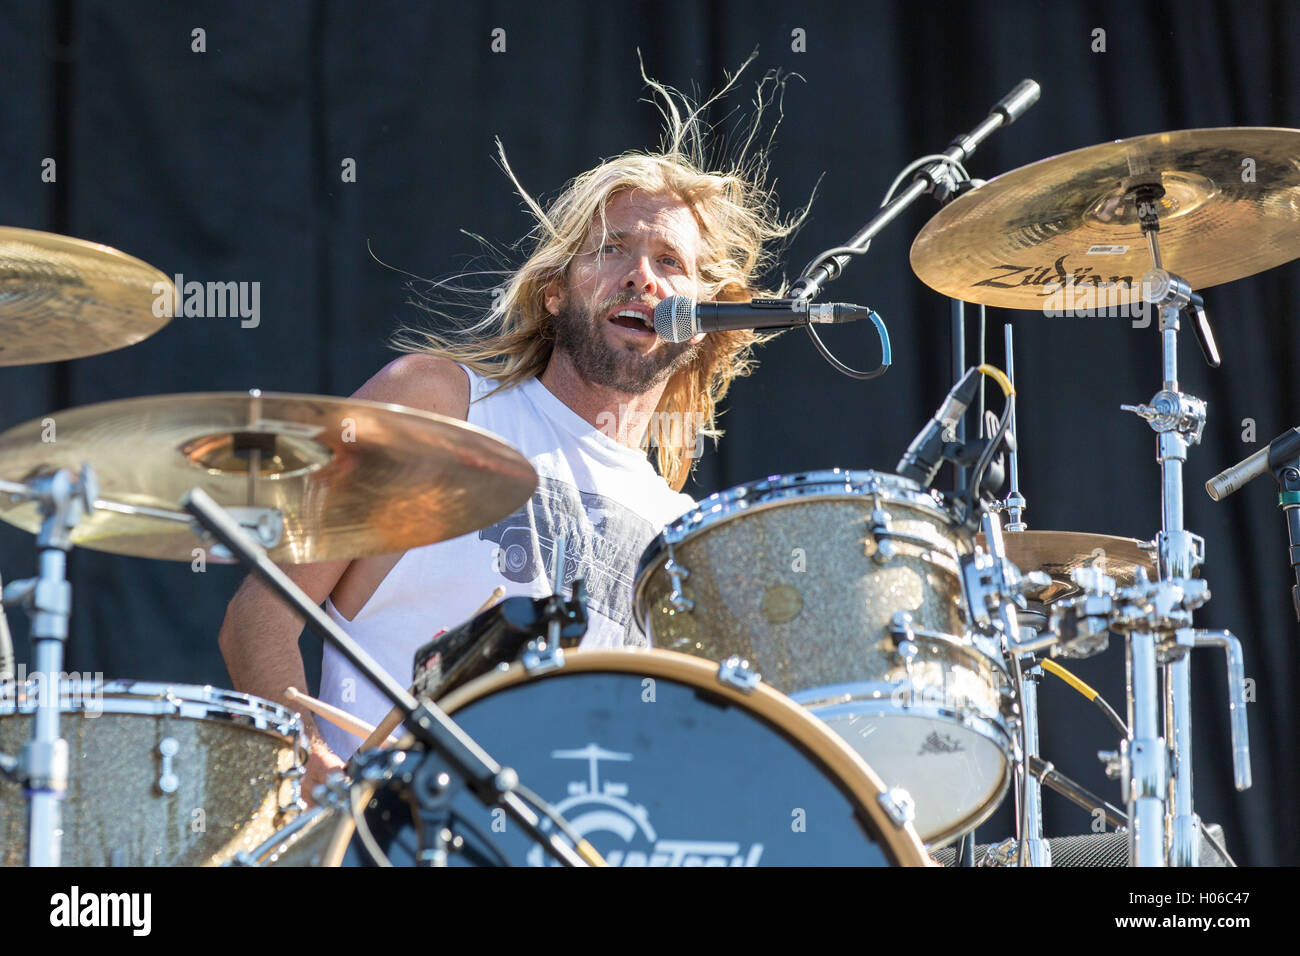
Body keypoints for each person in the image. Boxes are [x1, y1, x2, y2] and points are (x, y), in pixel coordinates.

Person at [218, 61, 807, 796]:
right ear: (555, 292)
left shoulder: (683, 536)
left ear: (703, 321)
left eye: (669, 262)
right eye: (612, 248)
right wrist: (301, 767)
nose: (641, 277)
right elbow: (257, 616)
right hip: (384, 833)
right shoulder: (437, 405)